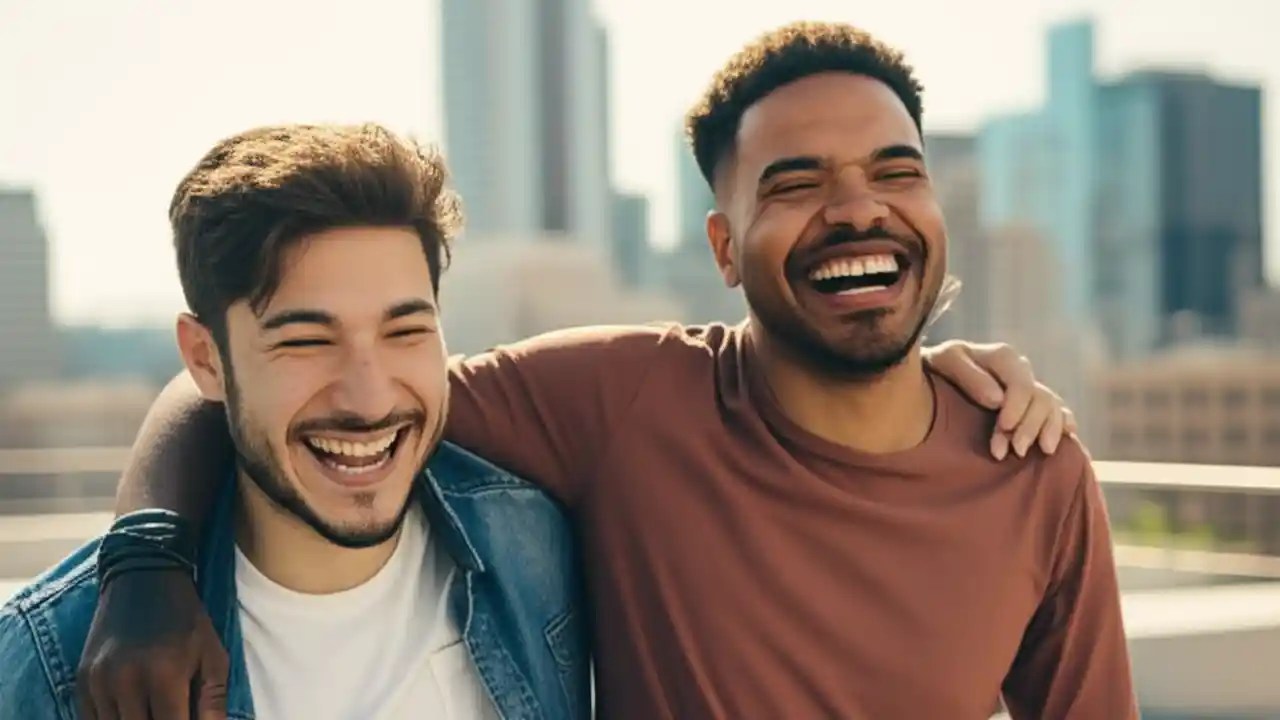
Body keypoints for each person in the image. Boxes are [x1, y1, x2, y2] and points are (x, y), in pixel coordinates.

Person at [66, 23, 1111, 720]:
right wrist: (145, 564)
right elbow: (310, 388)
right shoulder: (621, 400)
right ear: (719, 246)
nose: (856, 208)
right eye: (794, 183)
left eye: (896, 171)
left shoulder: (1031, 466)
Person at [0, 124, 590, 720]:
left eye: (406, 331)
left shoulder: (539, 546)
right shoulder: (58, 658)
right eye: (307, 341)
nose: (369, 398)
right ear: (207, 360)